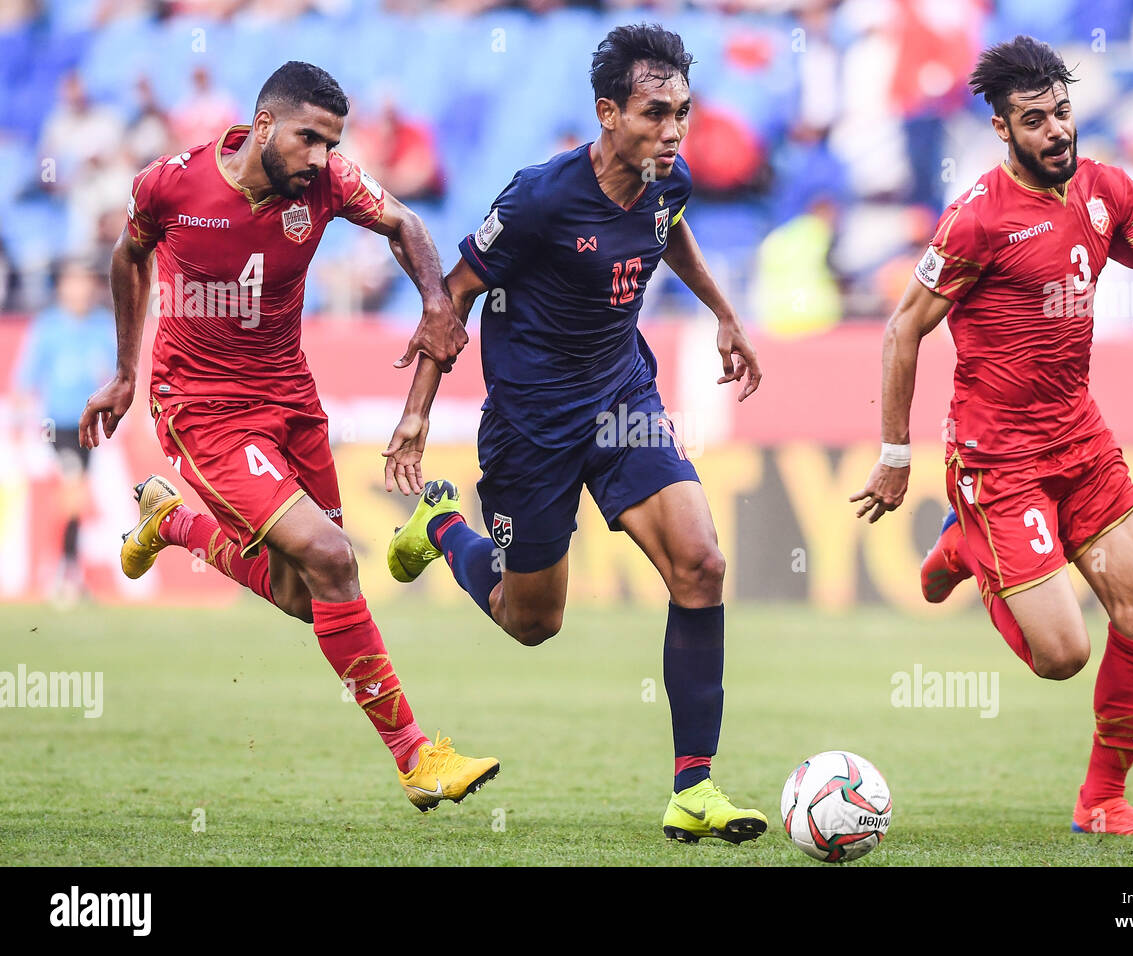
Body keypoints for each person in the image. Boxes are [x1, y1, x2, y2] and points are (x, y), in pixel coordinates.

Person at [79, 61, 499, 813]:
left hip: (290, 402)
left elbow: (406, 222)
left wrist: (437, 302)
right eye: (309, 139)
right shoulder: (171, 186)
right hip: (201, 407)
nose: (320, 159)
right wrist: (123, 373)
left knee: (306, 596)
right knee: (334, 559)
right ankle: (416, 757)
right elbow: (128, 256)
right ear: (264, 124)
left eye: (331, 144)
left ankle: (169, 521)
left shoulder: (327, 186)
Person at [850, 36, 1133, 836]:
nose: (1058, 130)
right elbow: (902, 331)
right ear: (1002, 129)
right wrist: (897, 457)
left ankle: (1103, 802)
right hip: (999, 457)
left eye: (1063, 112)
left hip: (1082, 437)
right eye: (1035, 121)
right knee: (1062, 656)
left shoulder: (1108, 190)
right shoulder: (976, 220)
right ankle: (966, 545)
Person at [382, 24, 767, 845]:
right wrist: (415, 415)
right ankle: (443, 528)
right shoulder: (541, 198)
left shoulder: (671, 180)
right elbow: (448, 299)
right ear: (607, 113)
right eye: (655, 113)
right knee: (533, 623)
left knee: (701, 564)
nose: (672, 132)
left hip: (622, 398)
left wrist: (725, 314)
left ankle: (693, 788)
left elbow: (669, 229)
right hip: (532, 425)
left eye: (683, 113)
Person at [12, 260, 116, 600]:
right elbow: (26, 379)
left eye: (85, 283)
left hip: (90, 426)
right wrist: (24, 423)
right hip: (56, 425)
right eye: (74, 282)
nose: (80, 290)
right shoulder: (49, 326)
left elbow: (118, 375)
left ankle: (65, 569)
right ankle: (65, 571)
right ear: (62, 287)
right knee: (73, 485)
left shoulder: (101, 325)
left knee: (76, 496)